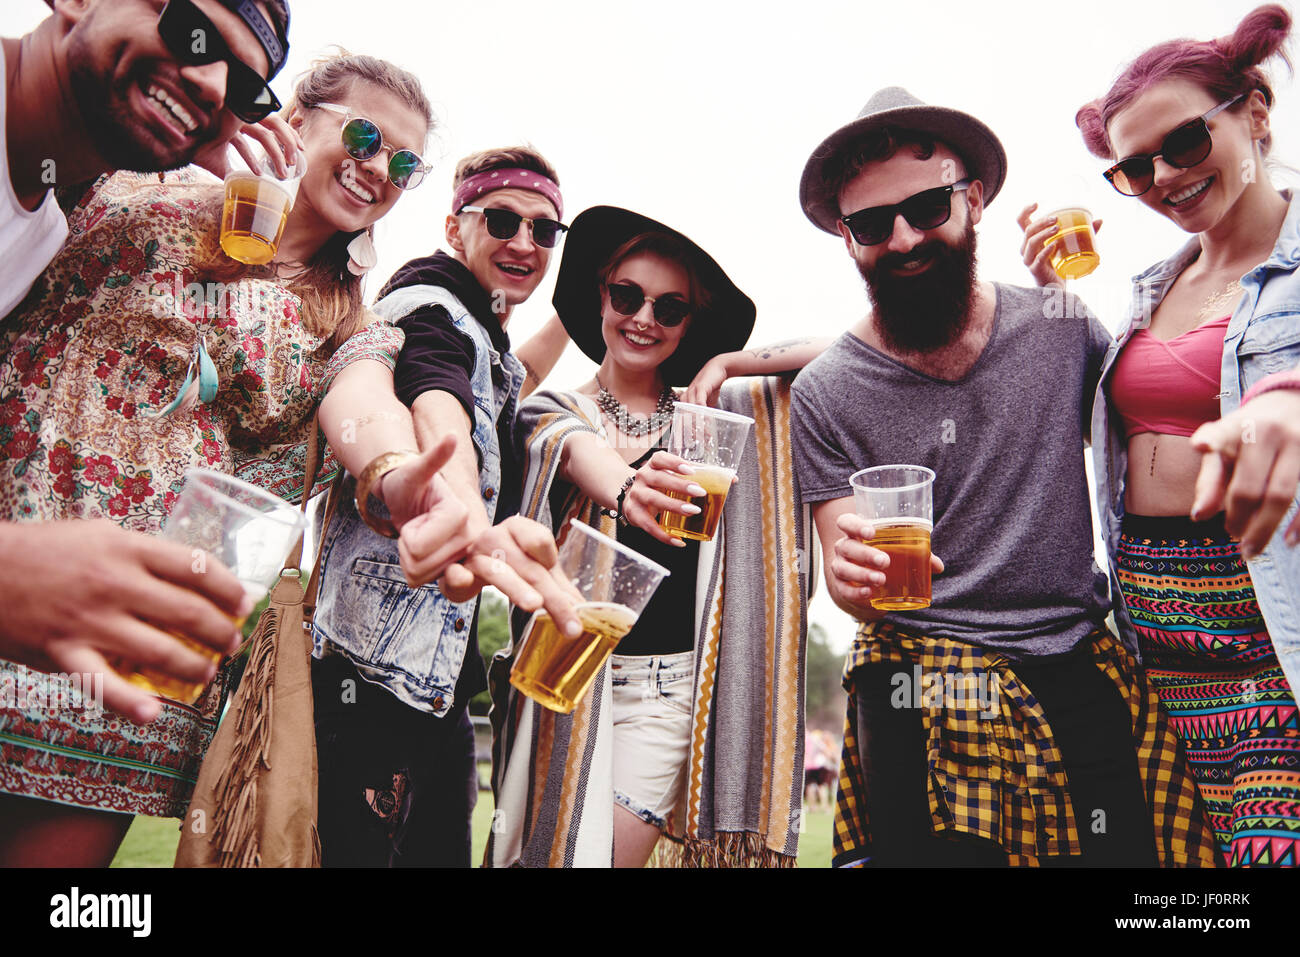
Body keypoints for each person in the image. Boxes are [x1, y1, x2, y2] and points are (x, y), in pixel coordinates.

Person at [0, 51, 474, 867]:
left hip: (128, 648)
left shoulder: (350, 324)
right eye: (362, 137)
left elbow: (364, 411)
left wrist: (399, 476)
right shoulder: (131, 181)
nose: (376, 170)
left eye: (403, 164)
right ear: (294, 121)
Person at [791, 87, 1219, 867]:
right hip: (919, 671)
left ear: (974, 200)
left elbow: (1165, 395)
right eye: (870, 224)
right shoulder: (824, 392)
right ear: (847, 241)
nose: (903, 238)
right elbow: (847, 581)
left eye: (925, 207)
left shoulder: (1060, 327)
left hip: (1075, 656)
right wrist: (849, 574)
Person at [1020, 4, 1300, 866]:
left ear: (1255, 110)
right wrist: (1053, 300)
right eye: (1133, 168)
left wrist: (1287, 400)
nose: (1163, 178)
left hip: (1264, 635)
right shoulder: (1152, 284)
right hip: (1151, 641)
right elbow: (1078, 398)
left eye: (1183, 143)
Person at [486, 206, 814, 868]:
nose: (644, 319)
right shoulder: (550, 412)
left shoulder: (715, 421)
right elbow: (577, 451)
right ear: (600, 295)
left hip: (669, 693)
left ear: (690, 325)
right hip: (563, 678)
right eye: (627, 295)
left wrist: (732, 360)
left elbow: (852, 350)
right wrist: (631, 489)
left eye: (670, 309)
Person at [0, 0, 295, 709]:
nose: (217, 88)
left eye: (247, 94)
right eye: (192, 32)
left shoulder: (42, 225)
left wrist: (165, 117)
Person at [309, 146, 581, 868]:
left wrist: (572, 316)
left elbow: (503, 379)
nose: (525, 242)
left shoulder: (481, 330)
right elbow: (443, 407)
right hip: (374, 685)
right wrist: (464, 509)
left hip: (432, 690)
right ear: (456, 226)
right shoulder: (430, 305)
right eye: (503, 219)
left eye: (545, 231)